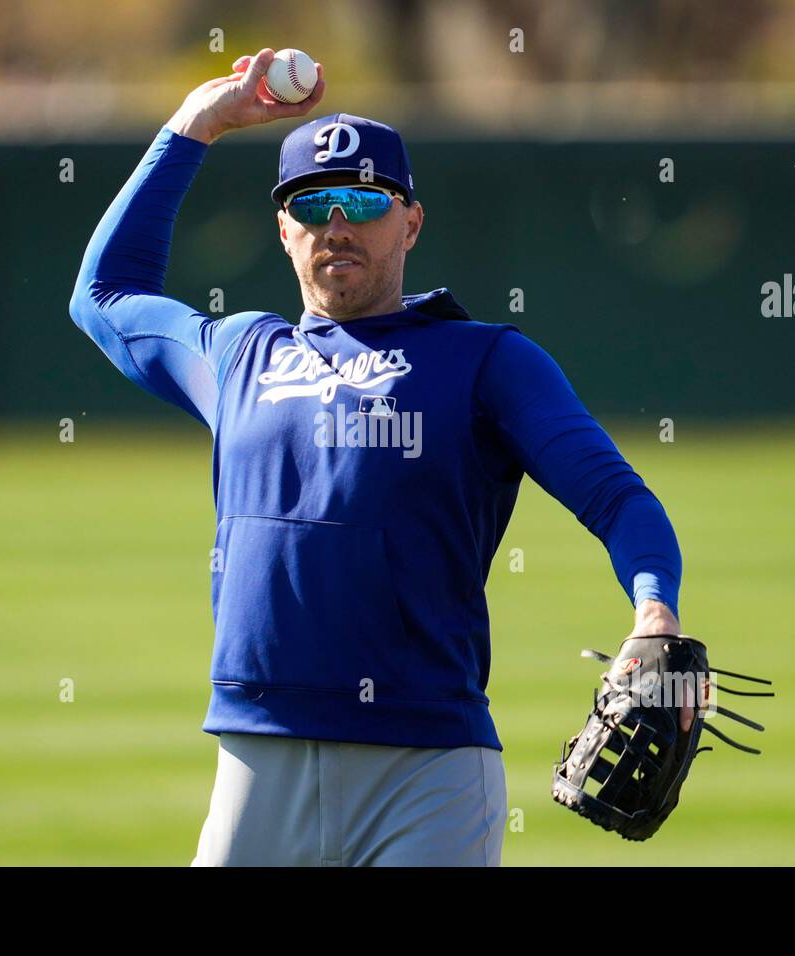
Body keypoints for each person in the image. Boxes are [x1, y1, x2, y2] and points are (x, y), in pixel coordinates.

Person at [69, 49, 685, 866]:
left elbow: (615, 497)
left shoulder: (485, 360)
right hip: (260, 756)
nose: (338, 223)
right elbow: (102, 295)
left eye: (364, 200)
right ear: (284, 227)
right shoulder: (238, 353)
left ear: (411, 221)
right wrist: (198, 123)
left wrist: (654, 609)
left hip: (427, 771)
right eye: (313, 202)